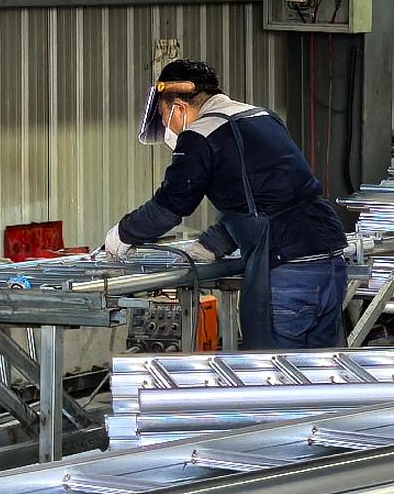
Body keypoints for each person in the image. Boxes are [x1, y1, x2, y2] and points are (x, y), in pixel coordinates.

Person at [113, 51, 352, 348]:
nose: (166, 125)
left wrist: (123, 234)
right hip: (329, 260)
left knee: (275, 371)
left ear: (178, 107)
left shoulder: (199, 134)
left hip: (286, 270)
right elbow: (269, 195)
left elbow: (170, 207)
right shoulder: (261, 117)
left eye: (163, 115)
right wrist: (213, 244)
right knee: (326, 371)